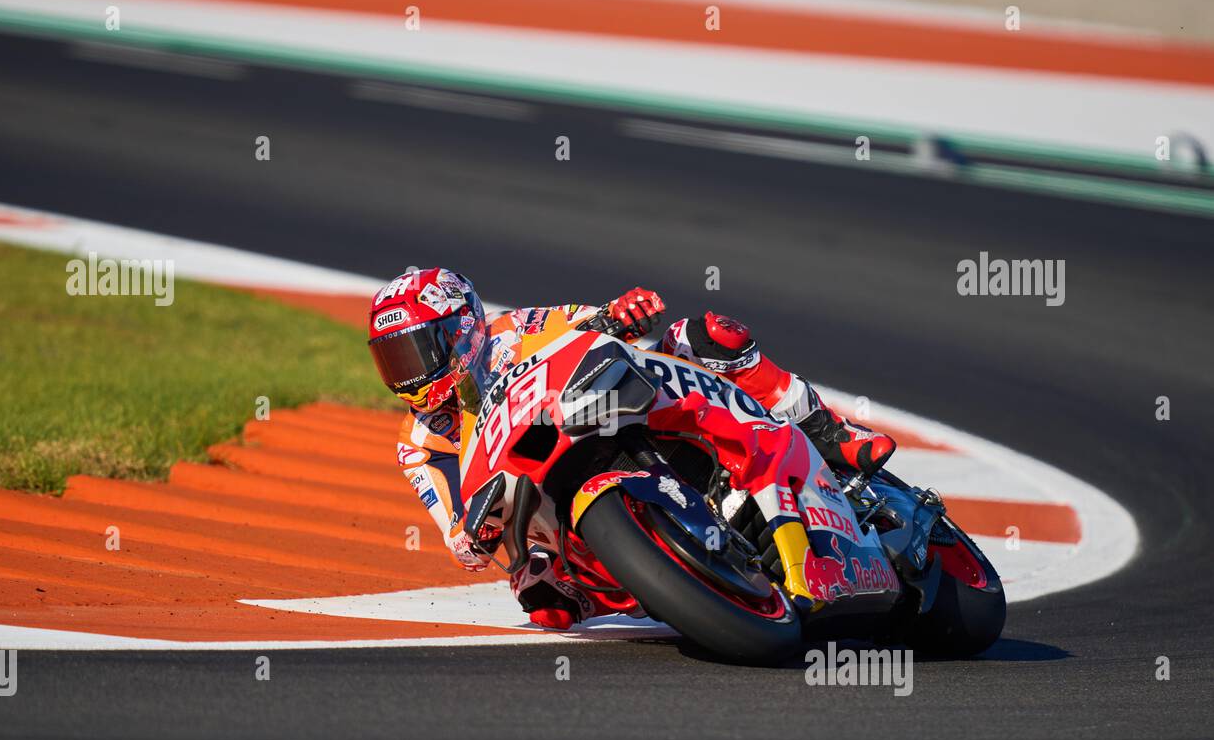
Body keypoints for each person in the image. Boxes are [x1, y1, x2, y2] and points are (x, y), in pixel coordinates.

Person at [367, 267, 895, 629]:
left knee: (706, 336)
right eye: (393, 360)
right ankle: (669, 585)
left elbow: (597, 328)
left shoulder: (518, 330)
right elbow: (458, 540)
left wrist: (620, 314)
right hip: (552, 510)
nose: (408, 374)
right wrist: (471, 536)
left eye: (416, 351)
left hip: (612, 423)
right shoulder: (419, 445)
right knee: (539, 595)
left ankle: (832, 435)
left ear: (461, 328)